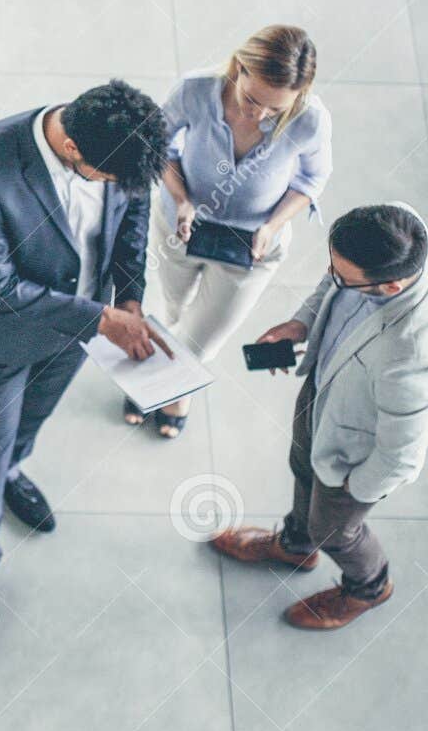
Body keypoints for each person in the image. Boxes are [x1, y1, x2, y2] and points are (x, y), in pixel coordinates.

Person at [0, 79, 170, 654]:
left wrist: (130, 300)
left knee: (30, 422)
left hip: (80, 332)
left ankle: (15, 471)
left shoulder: (123, 149)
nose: (118, 187)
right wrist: (101, 318)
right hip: (1, 337)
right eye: (109, 178)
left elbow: (132, 222)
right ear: (72, 149)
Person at [210, 203, 428, 630]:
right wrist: (302, 323)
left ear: (391, 286)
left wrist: (352, 488)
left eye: (343, 276)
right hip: (326, 393)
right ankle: (295, 546)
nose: (331, 274)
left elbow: (402, 456)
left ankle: (369, 588)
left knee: (335, 530)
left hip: (355, 454)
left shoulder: (415, 355)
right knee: (301, 466)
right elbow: (334, 280)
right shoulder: (398, 226)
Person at [137, 25, 332, 439]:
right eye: (252, 100)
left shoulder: (310, 120)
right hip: (180, 227)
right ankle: (164, 376)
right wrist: (181, 198)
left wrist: (272, 225)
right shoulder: (195, 90)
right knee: (174, 311)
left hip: (253, 245)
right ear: (238, 68)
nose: (258, 115)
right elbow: (158, 145)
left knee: (201, 339)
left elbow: (312, 180)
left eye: (275, 110)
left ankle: (166, 390)